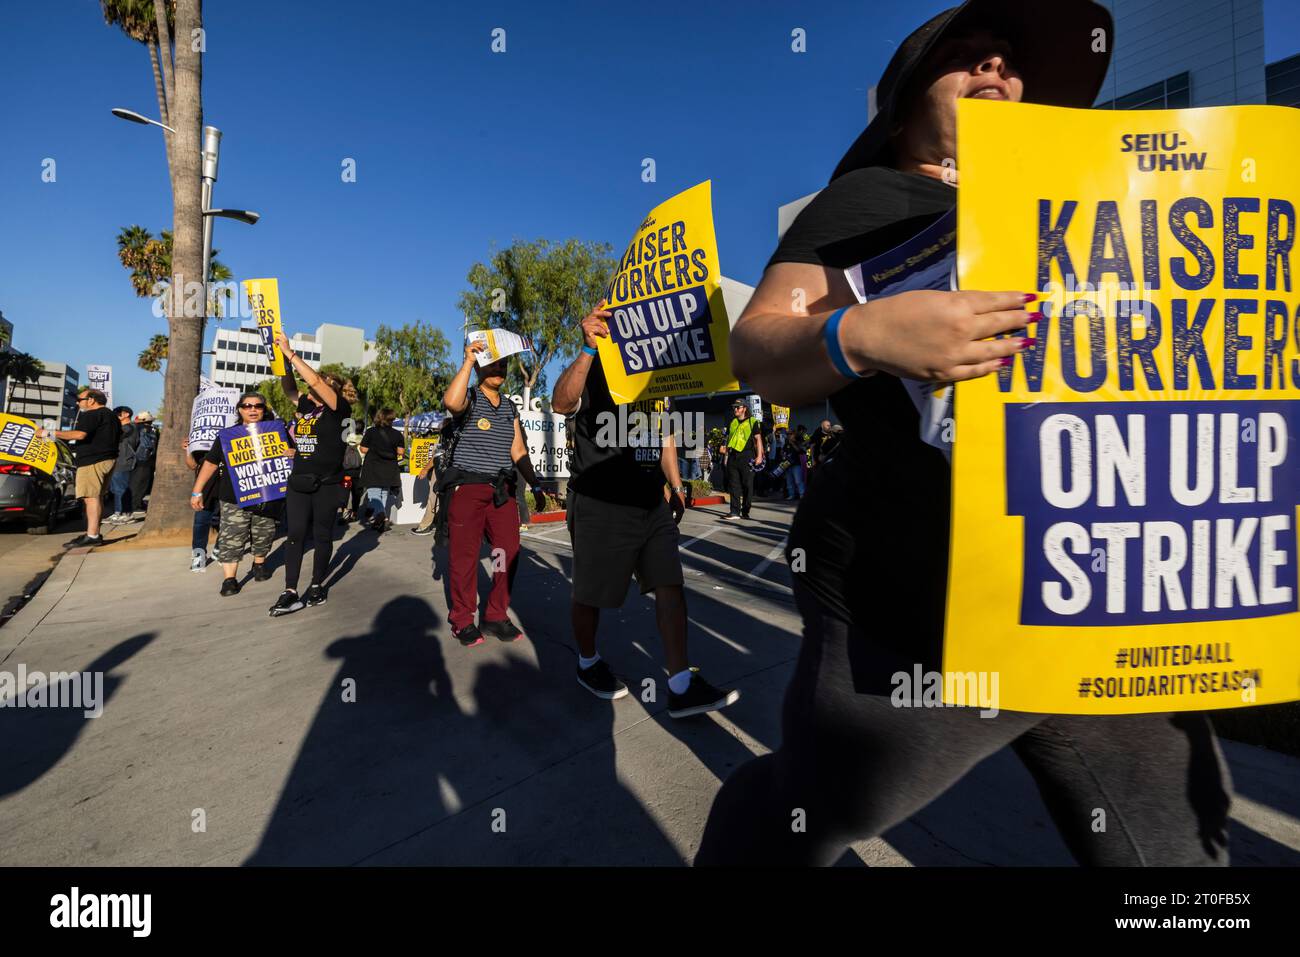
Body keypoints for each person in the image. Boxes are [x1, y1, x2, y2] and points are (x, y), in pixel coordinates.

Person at [696, 0, 1231, 867]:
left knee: (1170, 857)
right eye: (968, 58)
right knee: (821, 805)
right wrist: (860, 334)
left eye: (1007, 62)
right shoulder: (870, 198)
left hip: (1095, 599)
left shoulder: (1093, 208)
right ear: (906, 110)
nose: (996, 71)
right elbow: (758, 347)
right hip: (916, 614)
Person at [552, 301, 738, 718]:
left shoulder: (658, 376)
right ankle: (587, 662)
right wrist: (586, 349)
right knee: (590, 593)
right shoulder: (596, 363)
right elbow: (561, 404)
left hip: (650, 500)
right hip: (600, 496)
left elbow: (666, 435)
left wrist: (676, 486)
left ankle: (680, 685)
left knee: (670, 584)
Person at [439, 342, 542, 646]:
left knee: (505, 554)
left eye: (503, 365)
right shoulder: (469, 397)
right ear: (482, 367)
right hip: (468, 489)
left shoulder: (510, 407)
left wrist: (534, 483)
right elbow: (451, 403)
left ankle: (495, 614)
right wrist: (468, 361)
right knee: (465, 558)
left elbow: (518, 450)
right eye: (493, 363)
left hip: (501, 493)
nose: (499, 369)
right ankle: (461, 619)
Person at [269, 330, 352, 616]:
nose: (315, 385)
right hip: (299, 482)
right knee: (295, 534)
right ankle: (290, 591)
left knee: (322, 536)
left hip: (327, 484)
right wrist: (283, 361)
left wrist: (291, 353)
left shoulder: (340, 409)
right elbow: (290, 389)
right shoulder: (306, 407)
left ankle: (316, 585)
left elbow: (314, 379)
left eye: (324, 384)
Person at [190, 392, 284, 596]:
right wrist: (197, 491)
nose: (253, 409)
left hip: (267, 495)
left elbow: (290, 459)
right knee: (232, 536)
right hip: (233, 497)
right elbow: (210, 463)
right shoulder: (228, 435)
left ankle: (259, 565)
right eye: (248, 405)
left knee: (264, 533)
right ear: (240, 409)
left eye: (258, 406)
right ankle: (229, 579)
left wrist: (291, 453)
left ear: (264, 409)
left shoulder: (276, 431)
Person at [40, 387, 119, 548]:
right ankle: (94, 532)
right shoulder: (112, 416)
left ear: (91, 400)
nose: (77, 403)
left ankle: (92, 535)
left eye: (80, 400)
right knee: (96, 497)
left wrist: (48, 433)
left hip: (92, 461)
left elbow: (79, 434)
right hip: (108, 459)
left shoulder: (91, 414)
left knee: (90, 498)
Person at [359, 409, 404, 533]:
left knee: (373, 494)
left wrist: (375, 450)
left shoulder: (371, 432)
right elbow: (401, 452)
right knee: (383, 493)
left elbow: (363, 449)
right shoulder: (397, 434)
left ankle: (382, 516)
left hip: (373, 466)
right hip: (389, 468)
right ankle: (380, 521)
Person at [182, 437, 221, 571]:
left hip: (228, 484)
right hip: (205, 487)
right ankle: (199, 556)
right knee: (201, 521)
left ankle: (220, 548)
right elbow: (192, 465)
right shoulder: (199, 438)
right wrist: (188, 450)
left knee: (228, 520)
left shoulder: (231, 432)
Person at [722, 398, 763, 520]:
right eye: (734, 407)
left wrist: (759, 456)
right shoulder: (733, 422)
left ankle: (745, 510)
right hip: (733, 456)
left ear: (744, 408)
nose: (735, 409)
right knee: (733, 485)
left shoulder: (753, 421)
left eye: (738, 407)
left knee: (747, 485)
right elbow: (728, 438)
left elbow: (758, 439)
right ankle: (734, 512)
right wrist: (725, 453)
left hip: (747, 456)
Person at [105, 406, 139, 524]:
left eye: (118, 413)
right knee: (116, 488)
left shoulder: (129, 427)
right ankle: (118, 512)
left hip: (124, 460)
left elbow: (113, 436)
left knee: (121, 488)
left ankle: (126, 514)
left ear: (126, 414)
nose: (115, 415)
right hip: (119, 460)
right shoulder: (125, 428)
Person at [127, 412, 158, 519]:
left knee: (136, 483)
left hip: (138, 460)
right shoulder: (153, 430)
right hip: (149, 460)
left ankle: (135, 505)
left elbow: (132, 443)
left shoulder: (136, 428)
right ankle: (136, 504)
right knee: (143, 484)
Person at [785, 424, 808, 500]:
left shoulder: (799, 440)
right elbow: (783, 450)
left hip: (796, 464)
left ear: (794, 434)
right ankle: (791, 495)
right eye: (787, 434)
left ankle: (802, 494)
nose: (788, 435)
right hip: (787, 464)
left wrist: (792, 443)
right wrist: (782, 453)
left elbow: (799, 450)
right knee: (789, 481)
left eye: (790, 434)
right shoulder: (786, 442)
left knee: (798, 480)